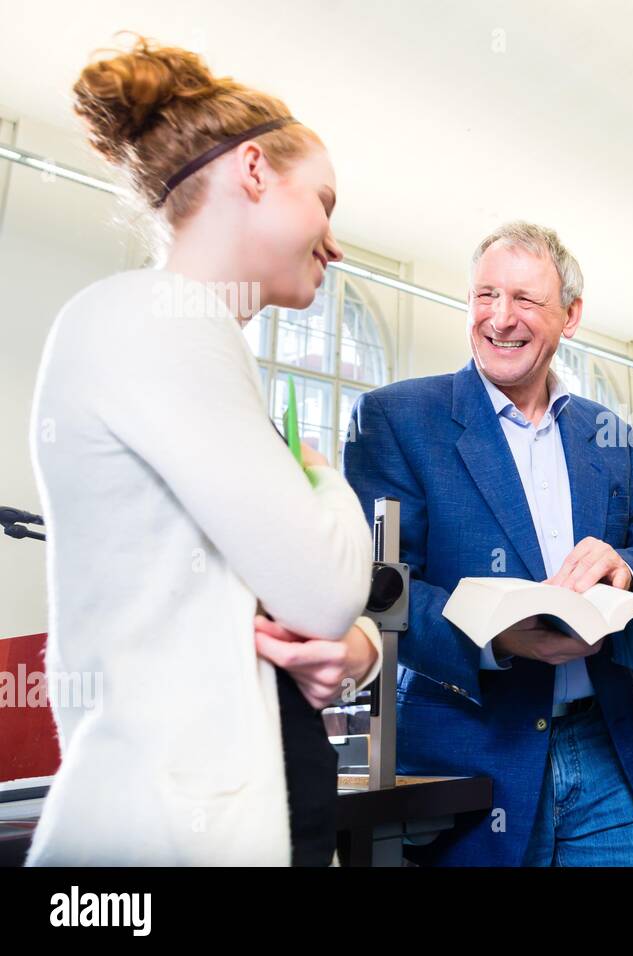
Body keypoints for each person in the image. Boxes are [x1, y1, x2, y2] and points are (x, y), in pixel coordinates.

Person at [27, 37, 381, 866]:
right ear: (253, 169)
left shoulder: (190, 340)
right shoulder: (160, 318)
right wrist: (325, 478)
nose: (334, 242)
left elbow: (290, 613)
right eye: (324, 202)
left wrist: (354, 650)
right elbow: (325, 590)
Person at [343, 221, 633, 866]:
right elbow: (379, 588)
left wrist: (625, 568)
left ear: (571, 315)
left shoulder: (605, 431)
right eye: (484, 296)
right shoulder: (394, 418)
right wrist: (496, 639)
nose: (500, 319)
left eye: (525, 300)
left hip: (610, 753)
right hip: (469, 752)